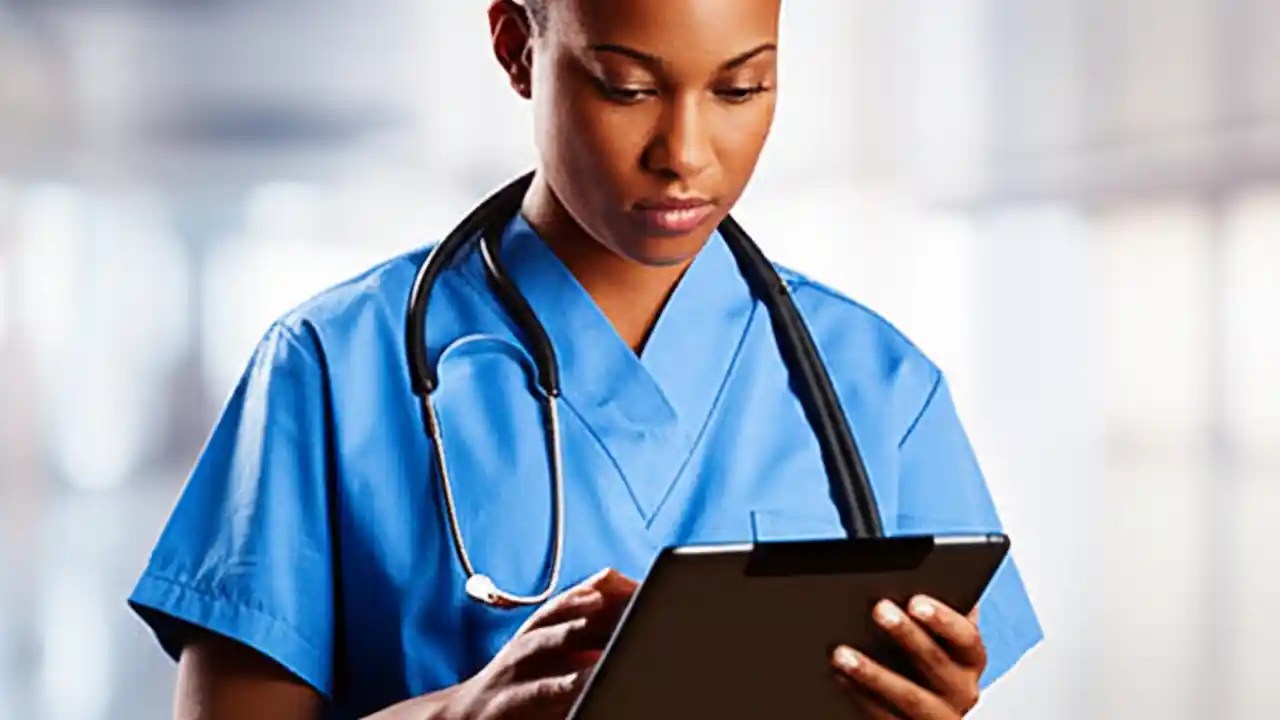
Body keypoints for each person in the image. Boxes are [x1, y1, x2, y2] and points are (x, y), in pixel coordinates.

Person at [127, 1, 1042, 718]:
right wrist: (463, 714)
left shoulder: (878, 384)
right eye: (626, 86)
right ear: (518, 47)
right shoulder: (332, 368)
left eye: (740, 89)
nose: (684, 154)